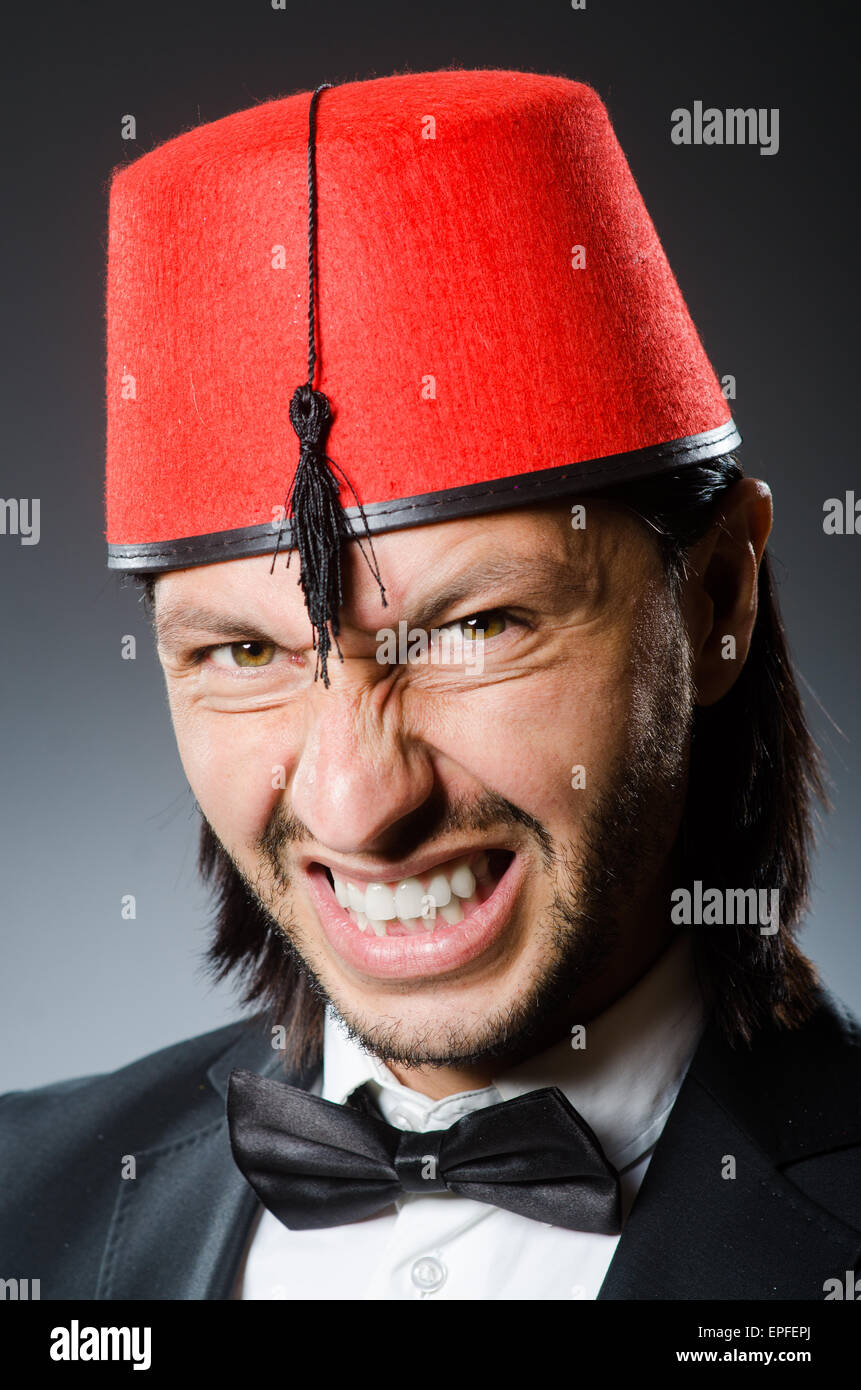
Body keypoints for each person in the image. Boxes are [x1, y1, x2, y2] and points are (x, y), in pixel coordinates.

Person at [2, 67, 859, 1302]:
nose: (358, 805)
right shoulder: (18, 1209)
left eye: (477, 625)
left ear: (716, 598)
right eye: (245, 654)